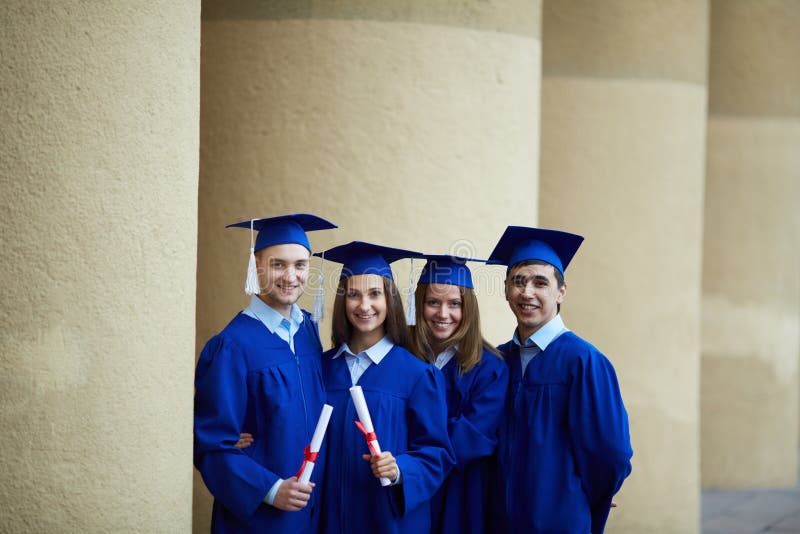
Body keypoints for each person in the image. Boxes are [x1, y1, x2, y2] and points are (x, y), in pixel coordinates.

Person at [194, 213, 336, 533]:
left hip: (311, 511)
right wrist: (269, 489)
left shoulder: (308, 330)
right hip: (261, 518)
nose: (291, 275)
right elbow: (212, 446)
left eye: (300, 265)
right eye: (278, 264)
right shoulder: (231, 346)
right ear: (257, 267)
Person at [487, 226, 633, 534]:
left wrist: (588, 496)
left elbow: (611, 452)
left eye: (540, 283)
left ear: (560, 291)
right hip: (500, 519)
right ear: (506, 290)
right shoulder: (498, 361)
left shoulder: (583, 361)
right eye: (518, 282)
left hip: (559, 519)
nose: (527, 293)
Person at [315, 241, 455, 533]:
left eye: (374, 294)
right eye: (353, 295)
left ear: (389, 299)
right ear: (343, 301)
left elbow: (437, 454)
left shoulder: (417, 375)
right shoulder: (322, 368)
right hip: (328, 518)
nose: (364, 305)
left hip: (387, 521)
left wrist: (401, 468)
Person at [407, 255, 509, 534]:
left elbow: (470, 440)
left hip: (458, 493)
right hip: (400, 487)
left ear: (468, 309)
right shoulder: (400, 354)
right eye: (433, 302)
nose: (443, 313)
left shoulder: (489, 367)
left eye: (455, 304)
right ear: (419, 304)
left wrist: (408, 454)